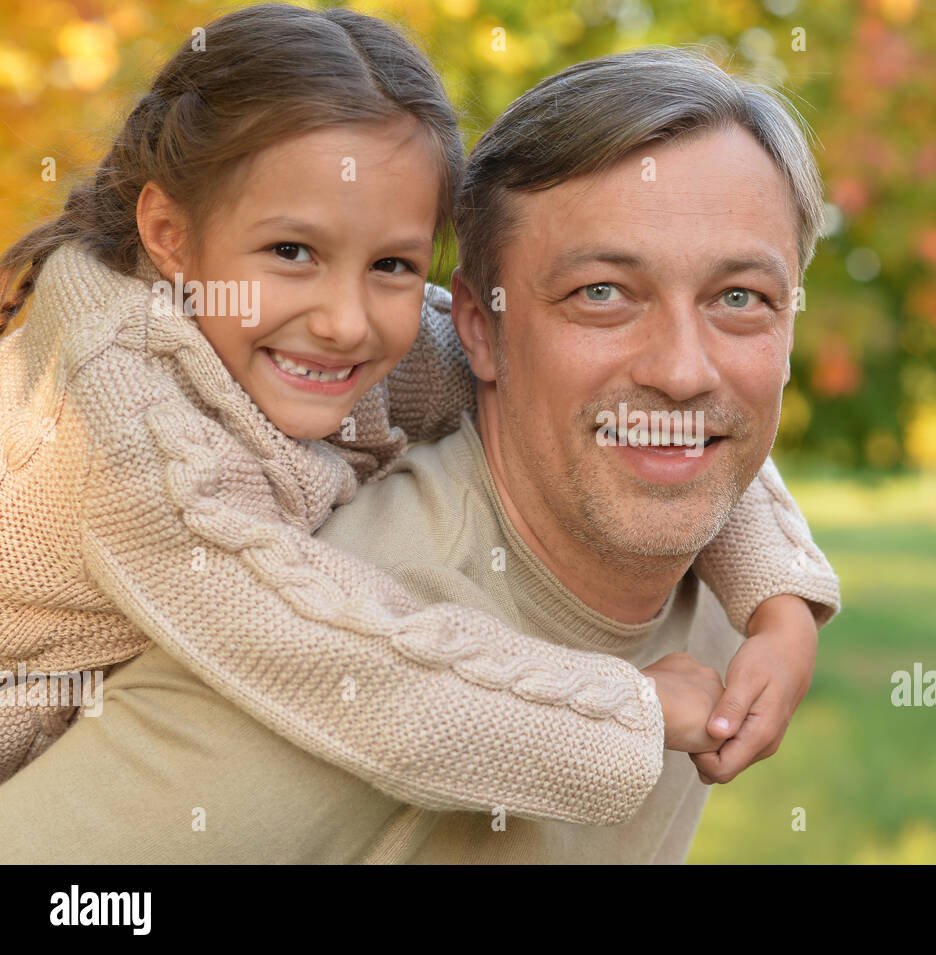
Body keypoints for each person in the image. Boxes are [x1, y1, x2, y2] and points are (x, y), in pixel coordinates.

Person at [0, 7, 838, 830]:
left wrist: (780, 595)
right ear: (169, 233)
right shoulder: (112, 408)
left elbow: (661, 412)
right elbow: (314, 649)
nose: (344, 320)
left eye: (393, 263)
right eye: (292, 252)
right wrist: (622, 713)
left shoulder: (373, 344)